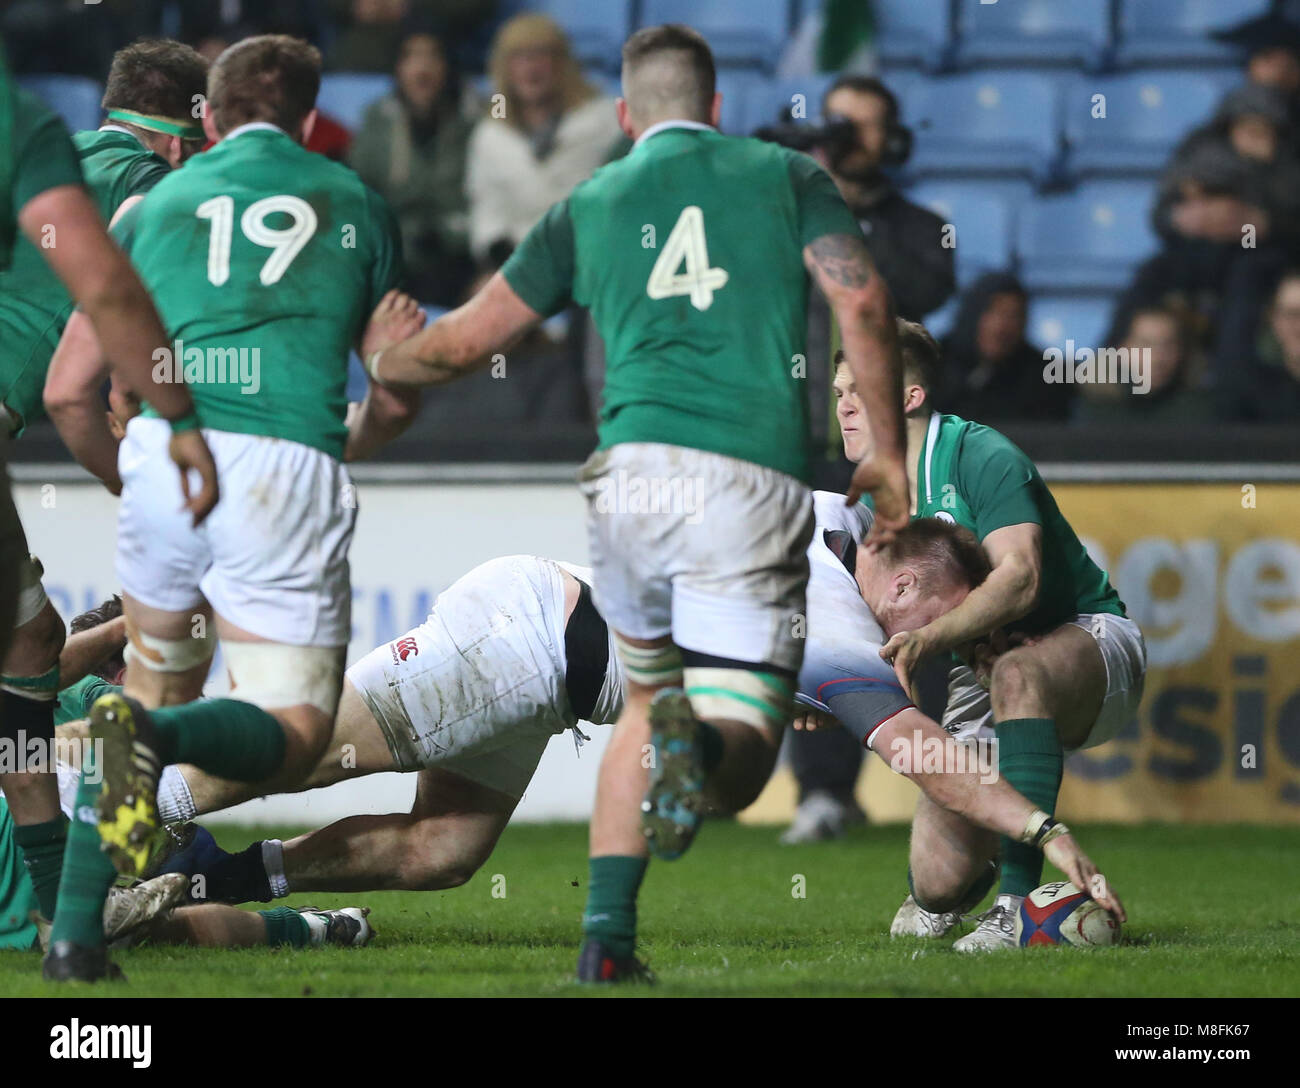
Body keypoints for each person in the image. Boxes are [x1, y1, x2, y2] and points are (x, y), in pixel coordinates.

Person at [365, 22, 930, 981]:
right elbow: (865, 306)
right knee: (744, 757)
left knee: (642, 700)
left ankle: (606, 945)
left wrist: (386, 358)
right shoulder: (787, 178)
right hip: (748, 479)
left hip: (629, 479)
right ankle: (699, 749)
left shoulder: (593, 198)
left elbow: (466, 341)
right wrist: (888, 456)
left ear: (626, 116)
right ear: (715, 108)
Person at [38, 34, 424, 983]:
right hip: (282, 465)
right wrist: (359, 429)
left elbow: (65, 393)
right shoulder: (353, 205)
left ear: (207, 120)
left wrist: (138, 480)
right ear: (308, 117)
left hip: (168, 460)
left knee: (150, 680)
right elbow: (397, 391)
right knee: (291, 731)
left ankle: (79, 941)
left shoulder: (154, 203)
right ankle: (155, 740)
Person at [0, 42, 218, 977]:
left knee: (29, 646)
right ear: (186, 134)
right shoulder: (138, 192)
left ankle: (58, 923)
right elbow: (77, 393)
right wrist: (163, 465)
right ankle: (59, 916)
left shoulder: (52, 154)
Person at [841, 320, 1145, 952]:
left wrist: (929, 641)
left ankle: (1018, 908)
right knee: (935, 884)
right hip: (978, 667)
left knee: (1018, 673)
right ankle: (965, 889)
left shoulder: (979, 454)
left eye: (859, 388)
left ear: (909, 398)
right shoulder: (874, 501)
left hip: (1085, 636)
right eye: (838, 390)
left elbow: (1022, 579)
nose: (843, 403)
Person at [465, 12, 623, 270]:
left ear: (563, 62)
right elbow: (485, 206)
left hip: (590, 258)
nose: (531, 68)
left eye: (541, 55)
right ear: (503, 68)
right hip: (517, 263)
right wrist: (497, 250)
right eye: (518, 57)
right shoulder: (490, 133)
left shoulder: (604, 119)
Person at [350, 28, 475, 306]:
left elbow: (490, 192)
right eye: (411, 57)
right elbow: (360, 193)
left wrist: (452, 233)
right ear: (397, 68)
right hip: (396, 253)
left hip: (461, 253)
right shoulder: (376, 118)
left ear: (448, 66)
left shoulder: (475, 116)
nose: (422, 68)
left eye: (432, 56)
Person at [938, 272, 1070, 422]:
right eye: (994, 312)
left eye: (1014, 315)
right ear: (973, 313)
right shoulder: (934, 363)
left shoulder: (1043, 379)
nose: (1002, 327)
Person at [1074, 302, 1213, 423]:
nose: (1157, 358)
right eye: (1145, 345)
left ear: (1182, 352)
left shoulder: (1202, 410)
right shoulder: (1095, 408)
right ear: (1122, 350)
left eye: (1168, 345)